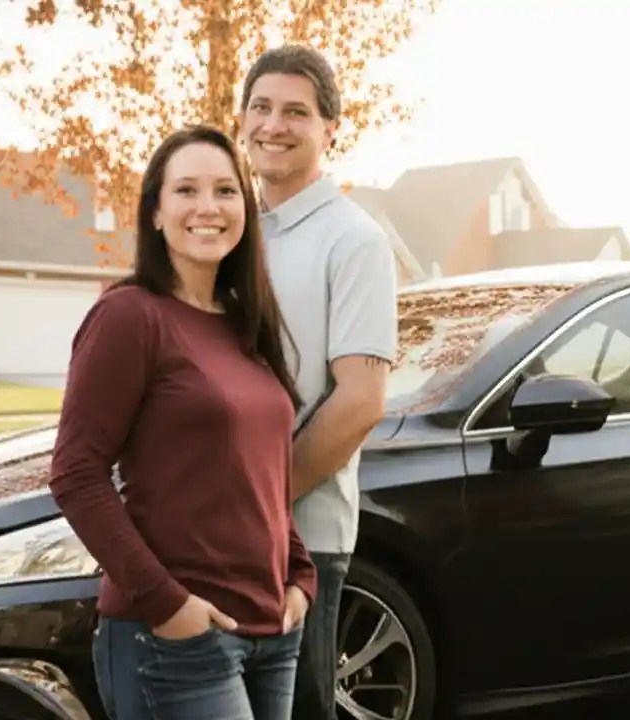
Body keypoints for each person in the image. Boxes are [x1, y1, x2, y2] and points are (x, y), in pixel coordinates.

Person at [48, 124, 318, 720]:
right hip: (176, 639)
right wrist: (168, 605)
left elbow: (261, 474)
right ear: (155, 213)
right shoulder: (129, 317)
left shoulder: (245, 324)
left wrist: (298, 576)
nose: (208, 207)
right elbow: (75, 473)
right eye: (187, 190)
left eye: (226, 191)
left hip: (272, 629)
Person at [239, 45, 398, 719]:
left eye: (296, 112)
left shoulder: (353, 241)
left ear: (330, 128)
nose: (274, 125)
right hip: (213, 530)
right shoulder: (232, 227)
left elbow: (360, 401)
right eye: (262, 107)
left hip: (299, 534)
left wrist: (259, 500)